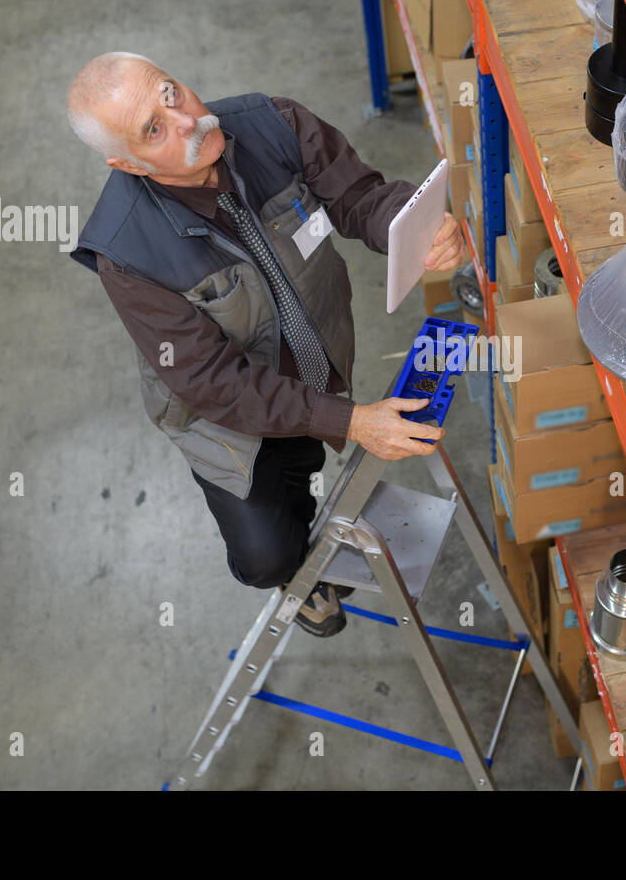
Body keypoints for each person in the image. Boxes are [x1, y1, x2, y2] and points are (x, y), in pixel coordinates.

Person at [64, 52, 466, 637]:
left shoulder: (272, 123)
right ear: (126, 163)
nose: (185, 121)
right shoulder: (126, 254)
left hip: (313, 360)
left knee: (307, 453)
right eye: (153, 129)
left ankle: (307, 461)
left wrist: (413, 224)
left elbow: (356, 196)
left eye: (171, 93)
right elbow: (214, 383)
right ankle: (294, 573)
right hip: (226, 419)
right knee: (266, 556)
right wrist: (352, 421)